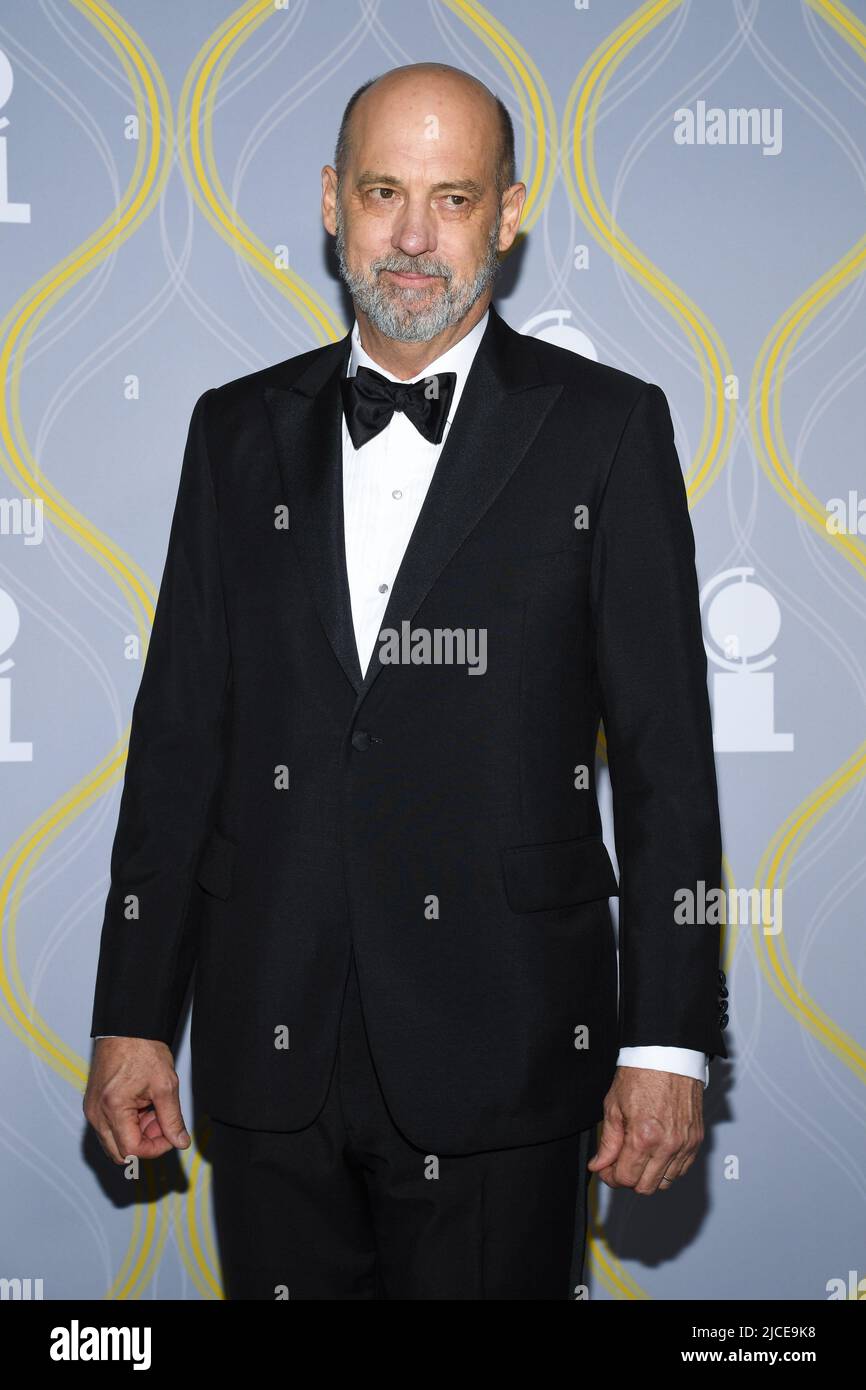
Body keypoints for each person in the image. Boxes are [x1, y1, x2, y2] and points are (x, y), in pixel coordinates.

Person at [84, 62, 728, 1300]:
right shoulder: (233, 432)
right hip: (272, 1045)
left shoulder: (605, 429)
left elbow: (666, 767)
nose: (416, 238)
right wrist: (132, 1015)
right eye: (384, 192)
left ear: (508, 212)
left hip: (507, 1049)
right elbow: (178, 744)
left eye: (452, 196)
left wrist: (665, 1041)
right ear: (331, 202)